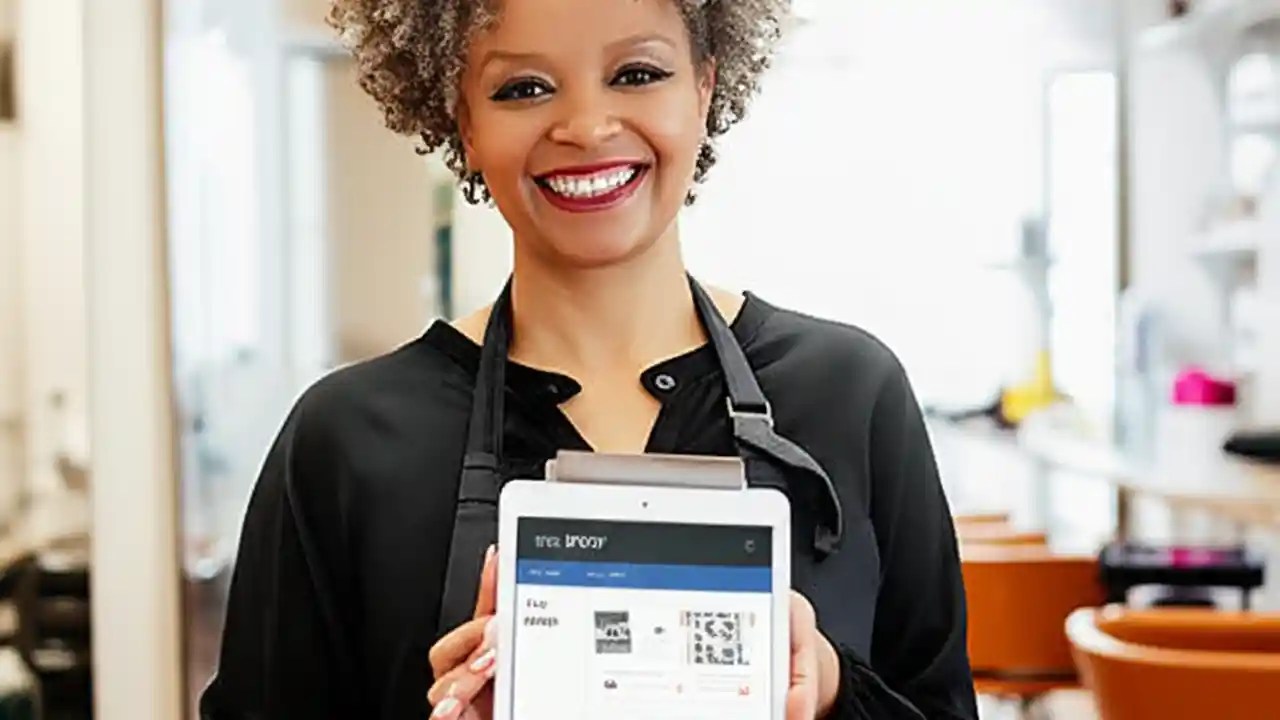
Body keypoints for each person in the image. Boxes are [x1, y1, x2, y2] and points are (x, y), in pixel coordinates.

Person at [199, 0, 979, 718]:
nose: (586, 125)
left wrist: (831, 684)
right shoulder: (346, 440)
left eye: (637, 74)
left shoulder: (850, 393)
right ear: (462, 121)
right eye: (523, 88)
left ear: (704, 90)